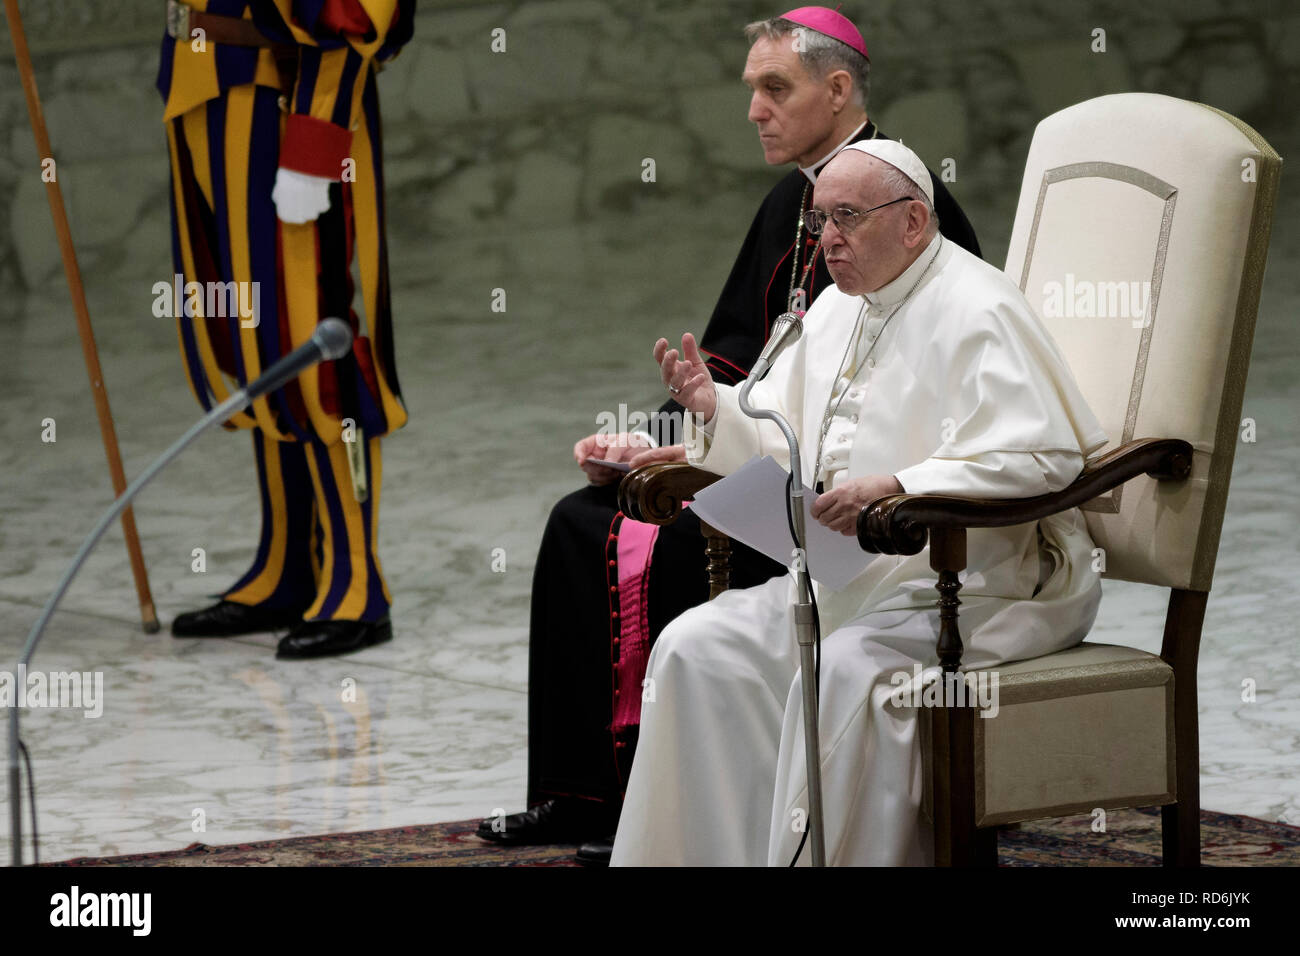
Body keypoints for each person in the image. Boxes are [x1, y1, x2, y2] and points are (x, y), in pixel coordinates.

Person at [478, 7, 982, 862]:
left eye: (774, 88)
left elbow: (889, 394)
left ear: (838, 88)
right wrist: (651, 443)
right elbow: (736, 364)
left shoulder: (903, 206)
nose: (754, 109)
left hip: (846, 502)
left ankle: (676, 807)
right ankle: (584, 799)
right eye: (752, 89)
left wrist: (705, 455)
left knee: (661, 540)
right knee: (579, 521)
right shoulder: (792, 201)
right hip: (761, 452)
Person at [611, 139, 1108, 866]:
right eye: (818, 222)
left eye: (846, 217)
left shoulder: (980, 307)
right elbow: (778, 432)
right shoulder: (839, 311)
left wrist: (905, 484)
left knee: (846, 668)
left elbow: (1045, 456)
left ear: (913, 221)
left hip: (969, 590)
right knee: (698, 646)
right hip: (850, 582)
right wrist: (712, 408)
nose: (826, 241)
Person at [157, 1, 415, 658]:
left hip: (288, 101)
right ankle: (290, 567)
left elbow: (357, 13)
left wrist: (316, 139)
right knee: (250, 341)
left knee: (312, 339)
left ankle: (356, 582)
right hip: (207, 84)